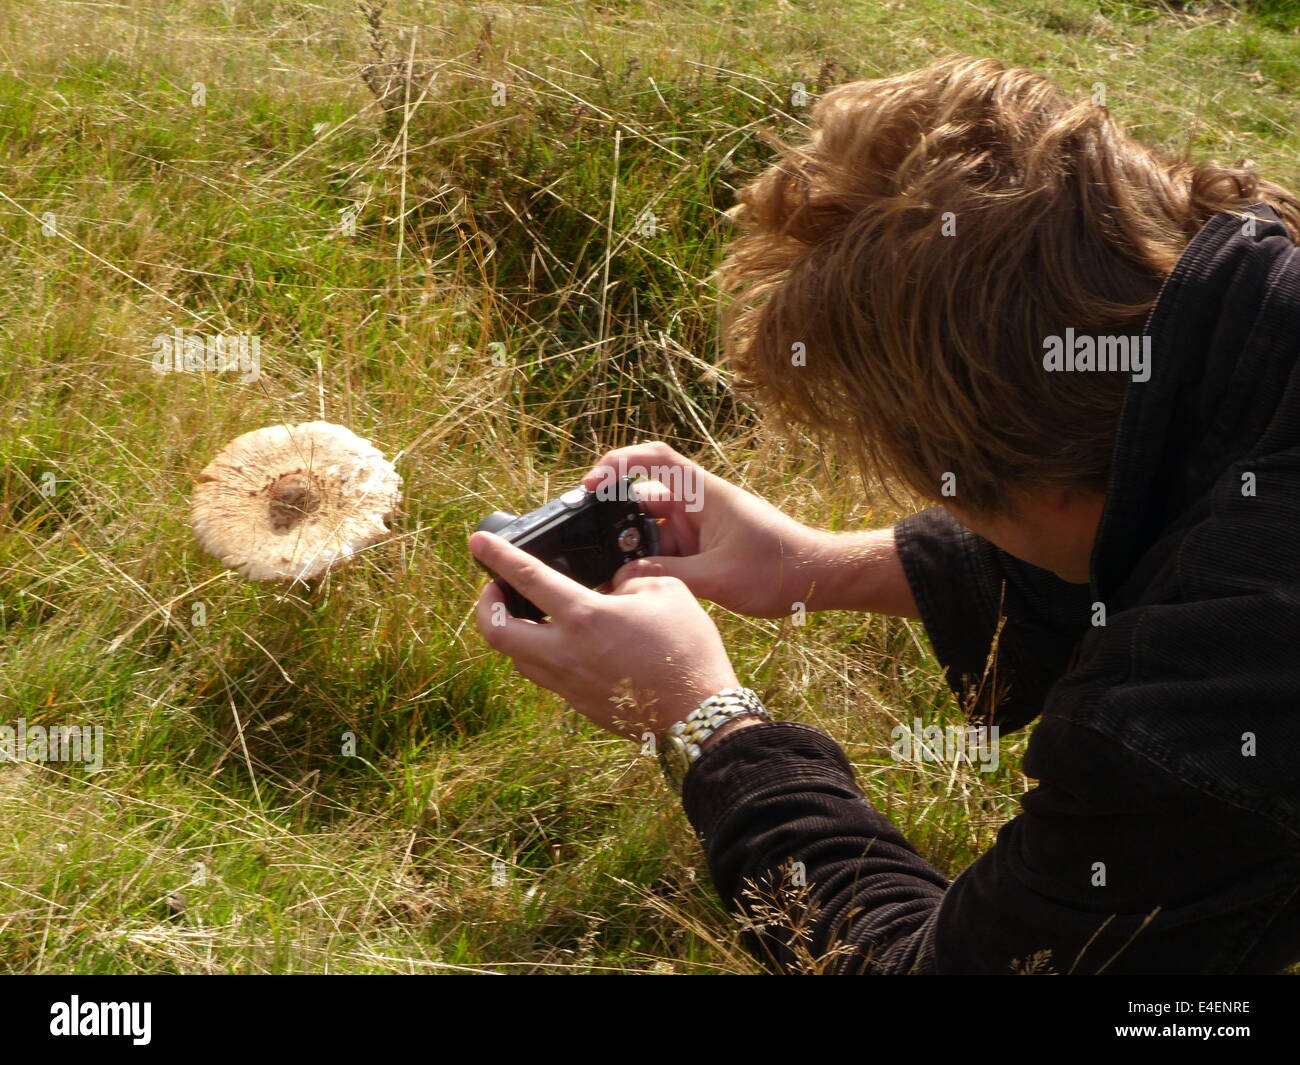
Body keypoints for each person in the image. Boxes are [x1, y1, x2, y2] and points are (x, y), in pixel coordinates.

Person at [469, 56, 1300, 974]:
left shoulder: (1198, 717)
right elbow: (1149, 502)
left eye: (948, 494)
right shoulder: (1260, 307)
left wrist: (704, 720)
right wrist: (813, 566)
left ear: (1033, 483)